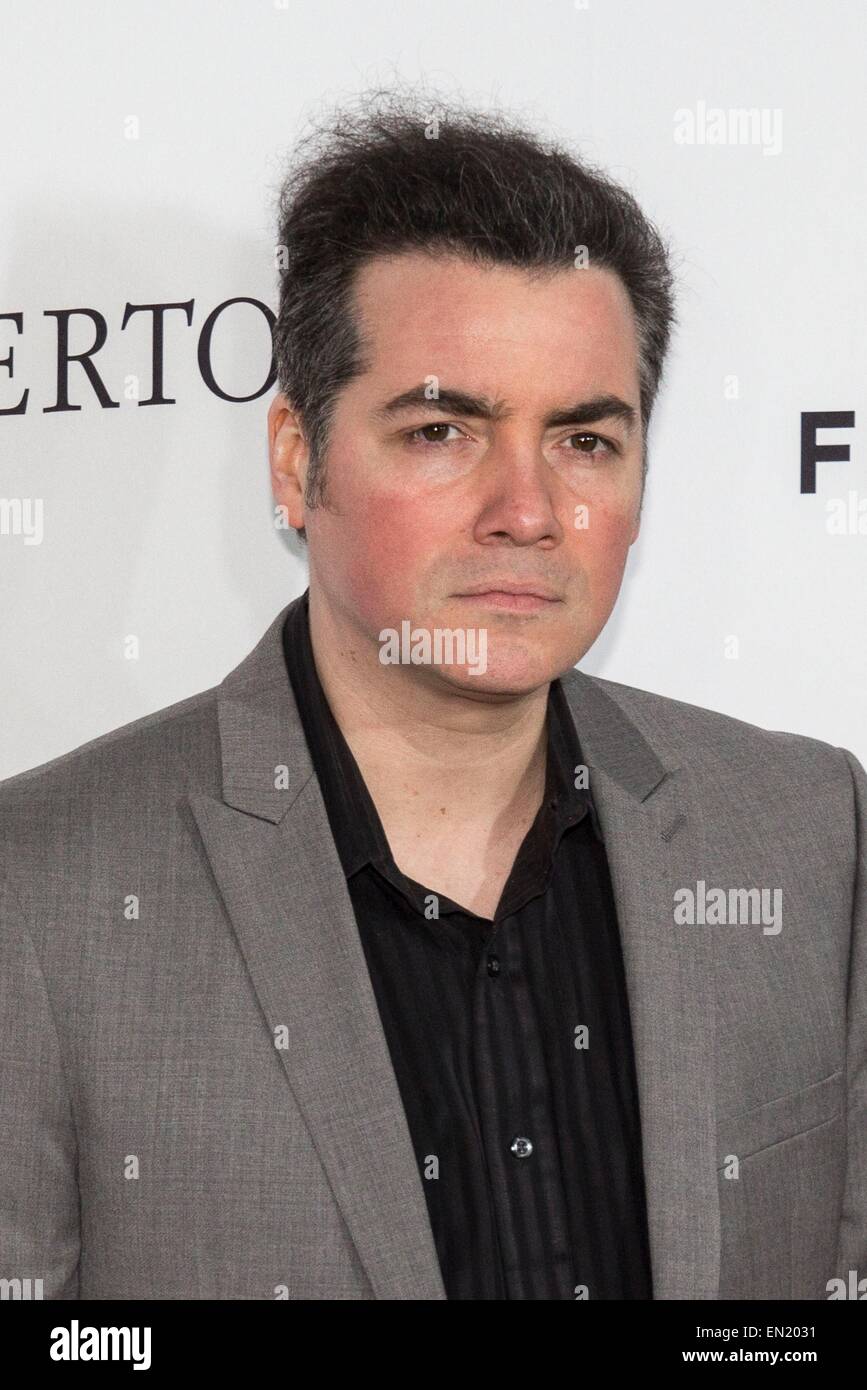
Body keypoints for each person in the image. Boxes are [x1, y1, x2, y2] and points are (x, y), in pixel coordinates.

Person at [1, 89, 864, 1301]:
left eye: (584, 440)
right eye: (442, 432)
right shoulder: (40, 894)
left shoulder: (809, 832)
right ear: (298, 463)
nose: (526, 510)